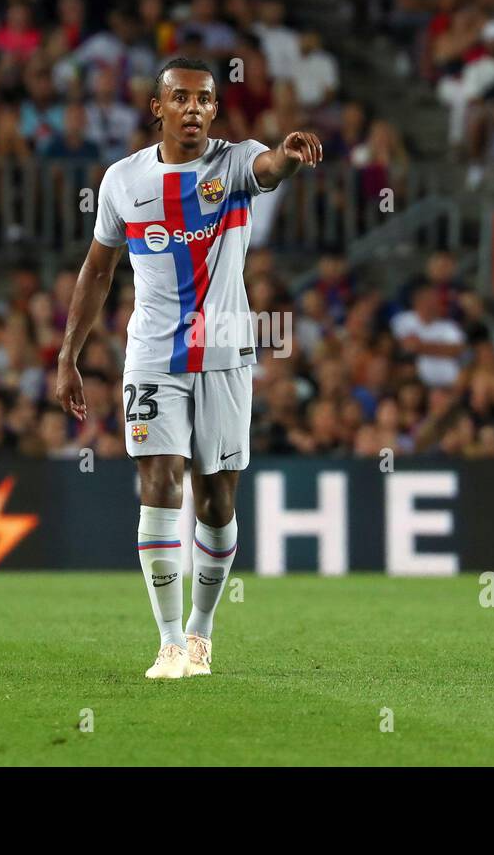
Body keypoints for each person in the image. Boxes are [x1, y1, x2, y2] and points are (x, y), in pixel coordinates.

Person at [55, 57, 322, 680]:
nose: (195, 109)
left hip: (225, 348)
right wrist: (68, 355)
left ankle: (201, 631)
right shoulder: (123, 181)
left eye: (205, 99)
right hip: (152, 351)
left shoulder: (233, 163)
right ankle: (169, 641)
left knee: (216, 498)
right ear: (159, 108)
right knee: (160, 480)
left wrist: (285, 153)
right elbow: (97, 270)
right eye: (181, 98)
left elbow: (270, 169)